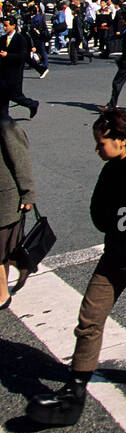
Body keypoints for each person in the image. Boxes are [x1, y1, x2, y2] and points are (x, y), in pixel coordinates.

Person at [26, 111, 126, 426]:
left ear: (121, 141)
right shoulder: (113, 169)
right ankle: (75, 390)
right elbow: (100, 212)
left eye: (101, 143)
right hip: (115, 255)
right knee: (90, 317)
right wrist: (109, 219)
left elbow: (123, 219)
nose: (96, 149)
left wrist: (110, 219)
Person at [0, 119, 36, 308]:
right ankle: (20, 263)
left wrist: (28, 193)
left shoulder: (6, 126)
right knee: (4, 250)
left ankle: (2, 295)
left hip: (4, 200)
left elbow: (21, 161)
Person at [0, 14, 40, 119]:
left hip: (15, 72)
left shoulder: (20, 39)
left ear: (13, 26)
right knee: (3, 96)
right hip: (3, 72)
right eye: (3, 25)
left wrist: (8, 55)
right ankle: (4, 118)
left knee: (16, 96)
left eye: (6, 25)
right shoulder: (2, 39)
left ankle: (32, 104)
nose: (4, 28)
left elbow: (22, 55)